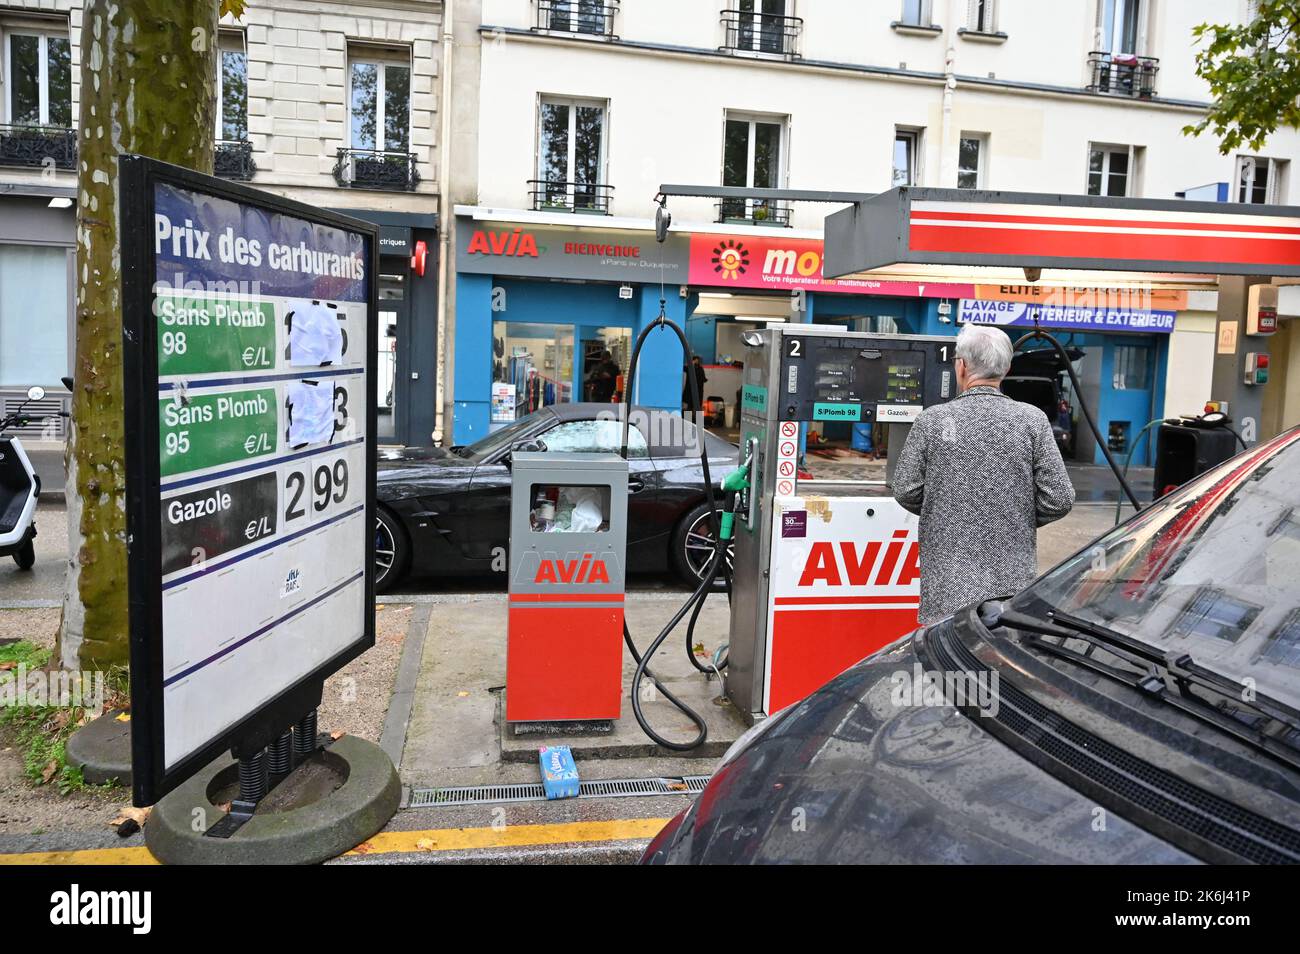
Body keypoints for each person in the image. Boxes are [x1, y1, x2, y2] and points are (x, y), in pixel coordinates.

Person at [892, 323, 1075, 624]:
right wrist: (1014, 515)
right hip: (1010, 588)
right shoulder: (1033, 421)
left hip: (947, 585)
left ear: (961, 366)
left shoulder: (932, 421)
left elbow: (905, 489)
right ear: (1006, 368)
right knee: (1002, 661)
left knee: (947, 662)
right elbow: (1060, 499)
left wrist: (948, 510)